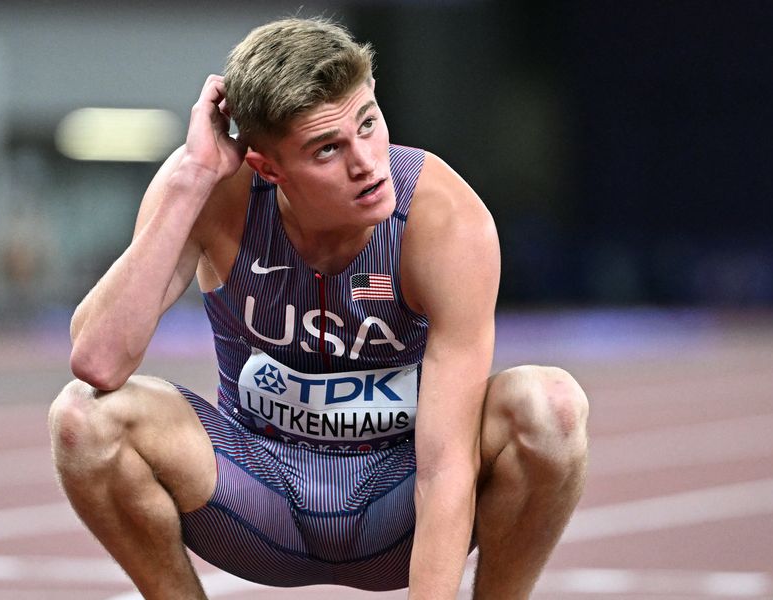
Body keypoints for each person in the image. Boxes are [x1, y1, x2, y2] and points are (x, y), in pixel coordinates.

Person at [47, 16, 589, 599]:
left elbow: (444, 468)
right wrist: (192, 178)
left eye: (368, 123)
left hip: (396, 503)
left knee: (550, 408)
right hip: (254, 496)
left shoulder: (446, 221)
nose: (366, 163)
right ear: (267, 167)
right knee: (83, 418)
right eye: (328, 149)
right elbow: (99, 361)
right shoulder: (211, 193)